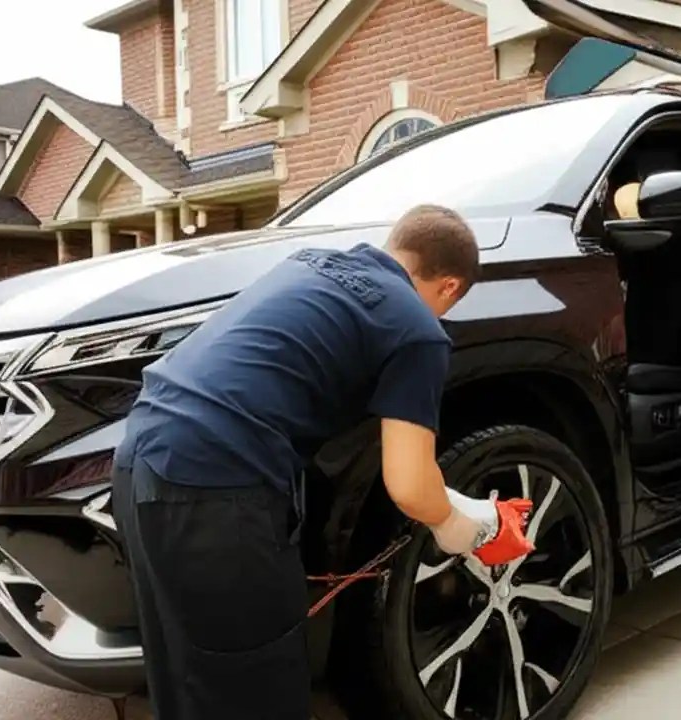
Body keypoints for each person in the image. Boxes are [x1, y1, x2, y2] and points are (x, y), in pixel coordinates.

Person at [110, 204, 507, 719]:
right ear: (450, 287)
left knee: (186, 678)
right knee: (258, 691)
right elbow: (409, 485)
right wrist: (458, 523)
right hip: (217, 492)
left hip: (139, 460)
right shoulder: (417, 327)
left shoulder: (307, 263)